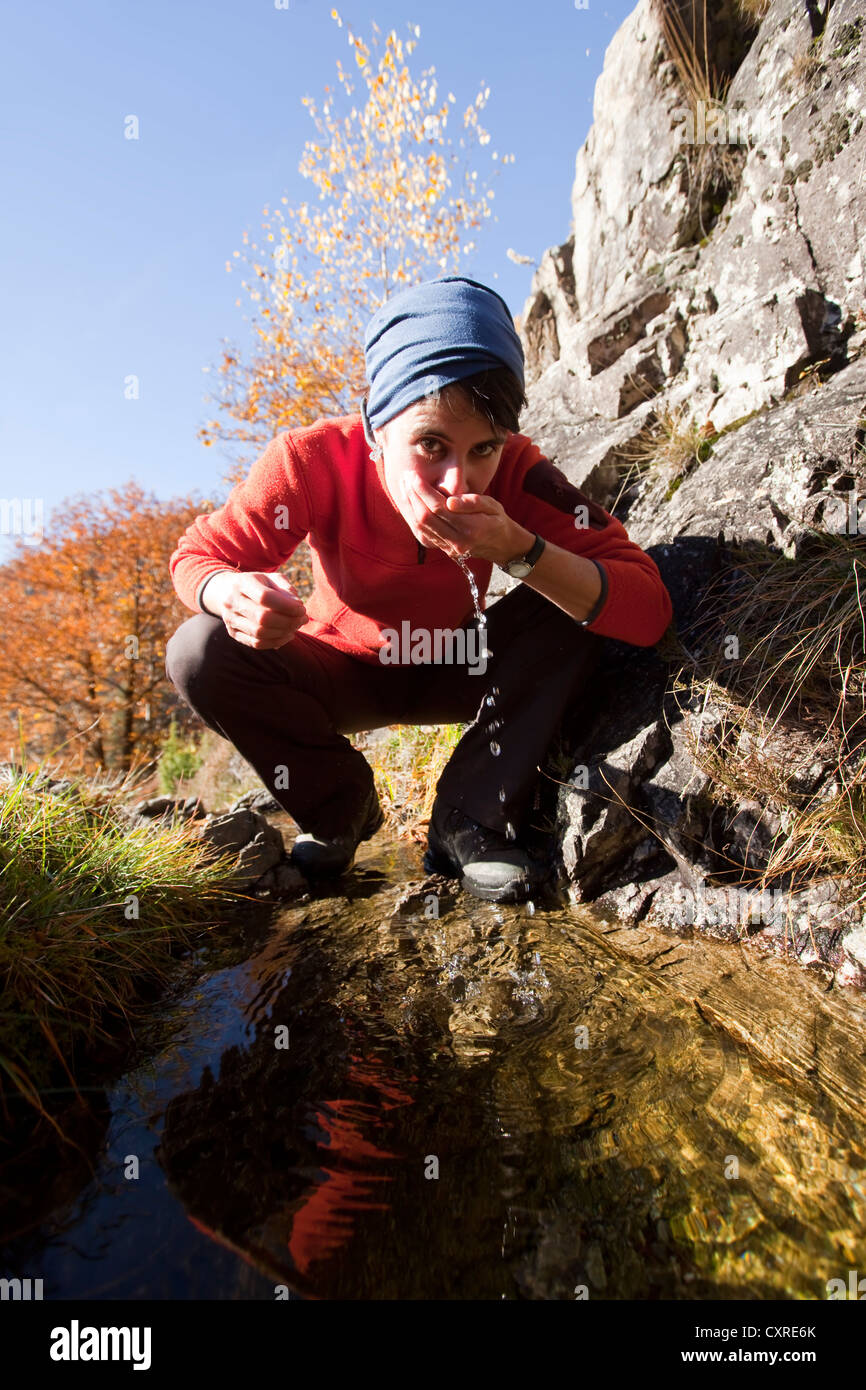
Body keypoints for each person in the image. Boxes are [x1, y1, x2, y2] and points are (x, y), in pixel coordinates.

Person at [165, 276, 672, 903]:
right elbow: (198, 556)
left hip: (454, 663)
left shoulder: (518, 472)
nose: (459, 479)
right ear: (377, 428)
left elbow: (646, 607)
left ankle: (469, 818)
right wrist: (229, 594)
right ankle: (341, 809)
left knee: (570, 602)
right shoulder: (310, 459)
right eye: (431, 444)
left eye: (482, 447)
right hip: (340, 671)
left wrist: (521, 550)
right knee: (199, 649)